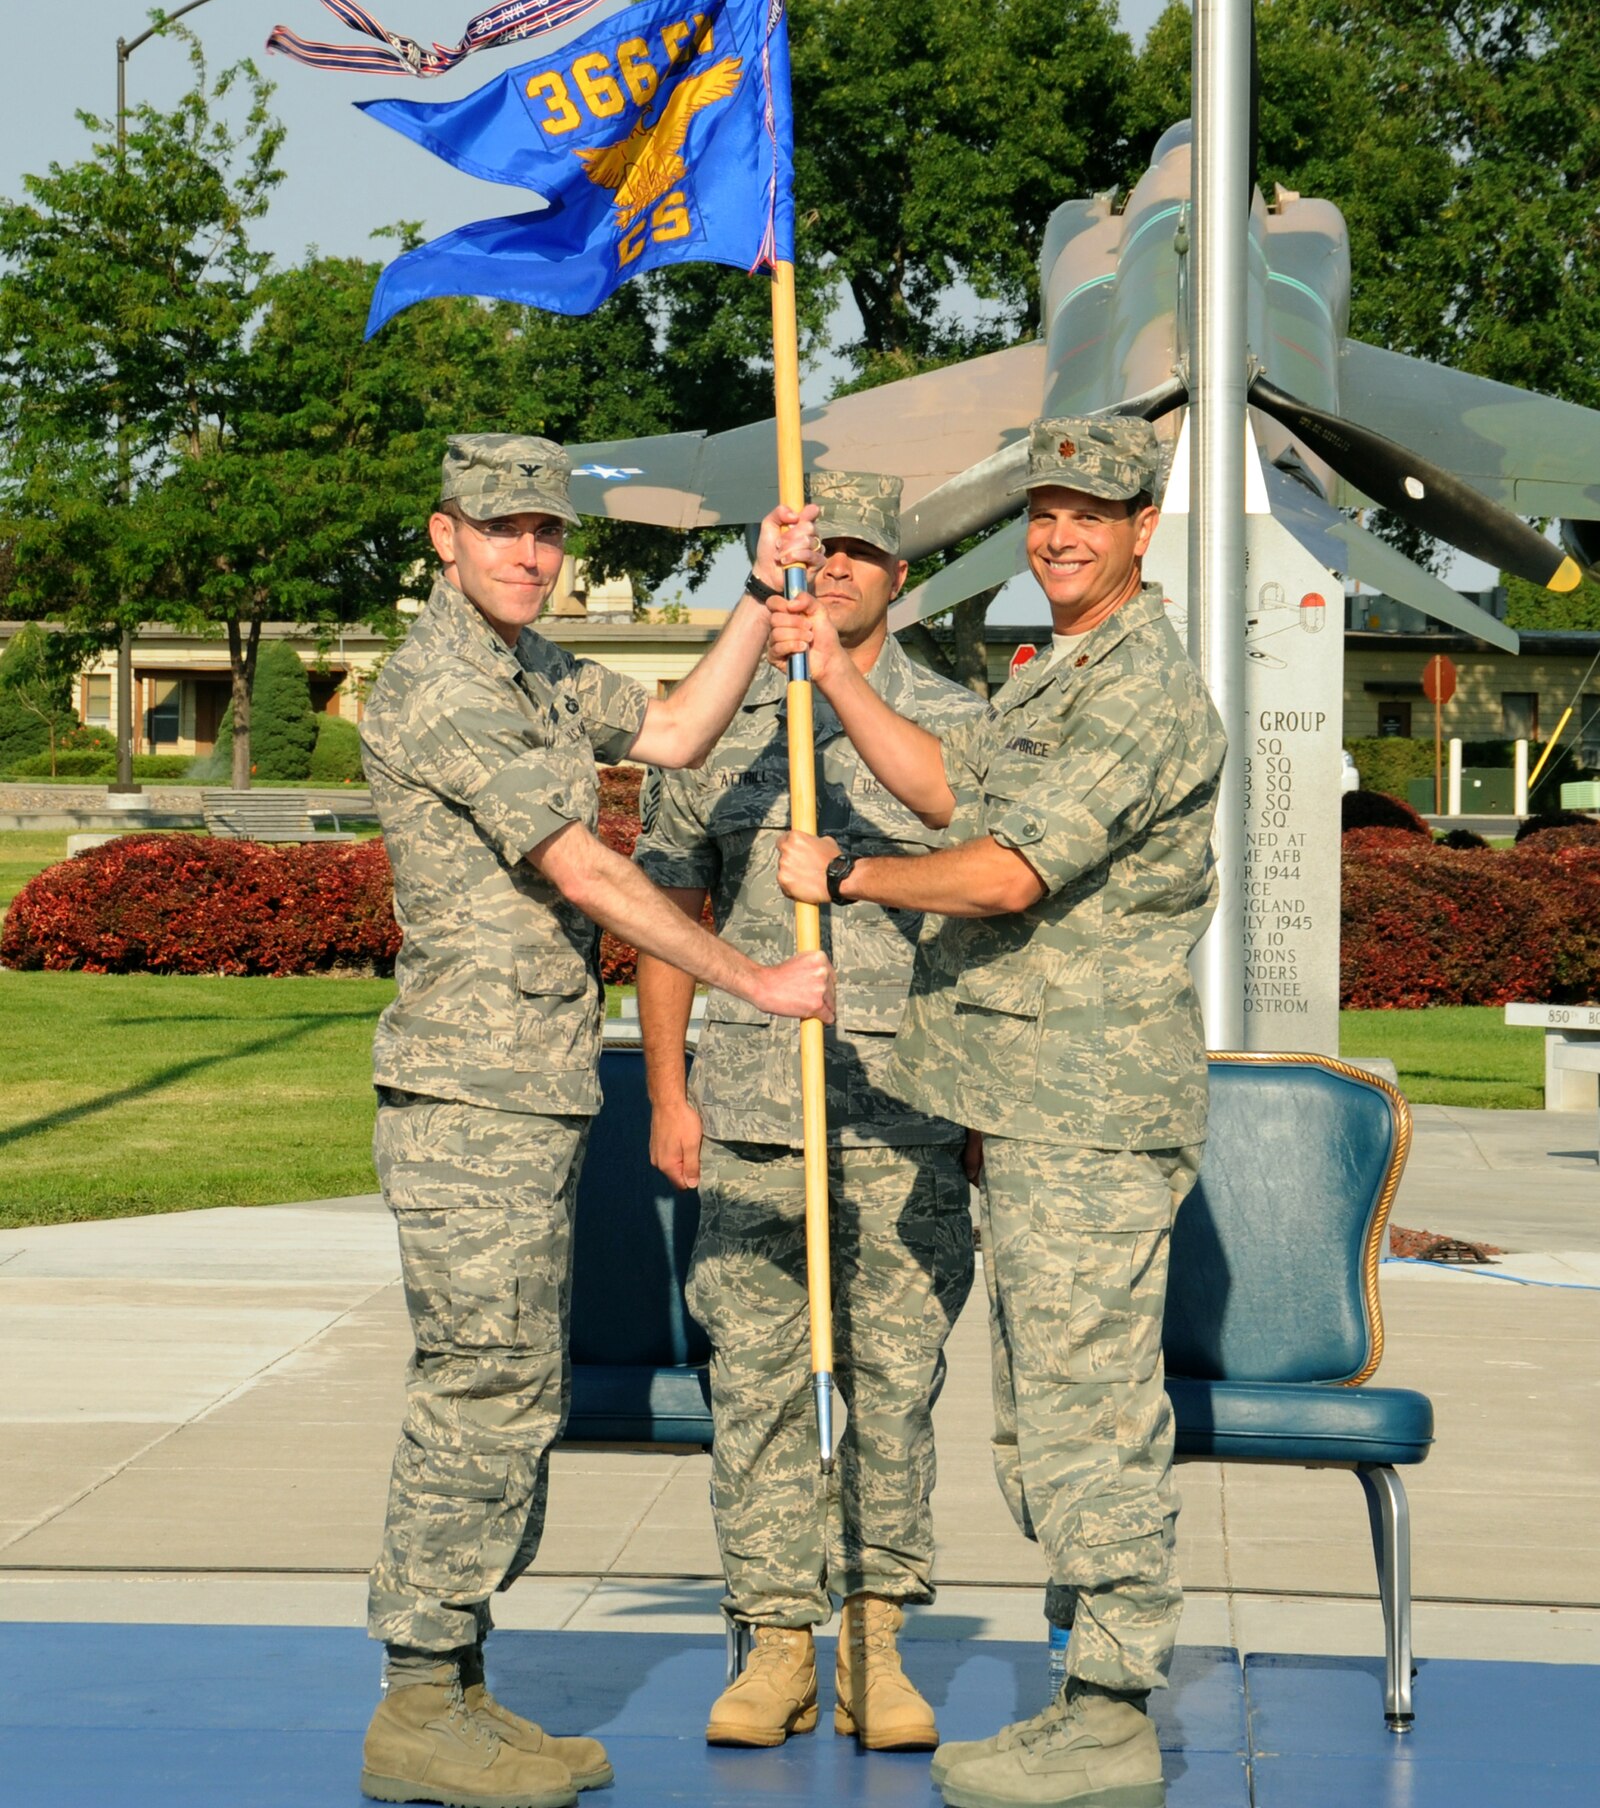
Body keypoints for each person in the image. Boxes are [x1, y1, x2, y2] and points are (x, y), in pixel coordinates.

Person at [356, 435, 834, 1808]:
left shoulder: (532, 669)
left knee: (512, 1390)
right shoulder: (448, 687)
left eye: (548, 531)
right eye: (501, 527)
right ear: (445, 534)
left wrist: (760, 592)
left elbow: (673, 732)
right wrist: (751, 977)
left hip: (525, 1089)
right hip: (469, 1097)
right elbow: (584, 868)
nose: (530, 551)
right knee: (479, 1391)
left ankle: (457, 1687)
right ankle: (417, 1700)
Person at [769, 419, 1225, 1808]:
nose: (1060, 535)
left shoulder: (1143, 691)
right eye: (1044, 511)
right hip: (1035, 1115)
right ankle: (1083, 1694)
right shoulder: (1060, 675)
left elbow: (1006, 871)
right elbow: (946, 782)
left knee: (1091, 1420)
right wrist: (832, 661)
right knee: (1047, 1421)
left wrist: (846, 877)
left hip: (1092, 1118)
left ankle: (1112, 1711)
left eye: (1091, 512)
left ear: (1143, 527)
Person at [632, 472, 985, 1754]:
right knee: (758, 1383)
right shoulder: (722, 720)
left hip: (906, 1109)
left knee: (894, 1382)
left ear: (899, 575)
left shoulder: (958, 723)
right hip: (748, 1103)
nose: (833, 569)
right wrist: (666, 1088)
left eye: (860, 553)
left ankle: (877, 1641)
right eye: (814, 549)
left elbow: (996, 905)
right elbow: (665, 911)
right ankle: (777, 1638)